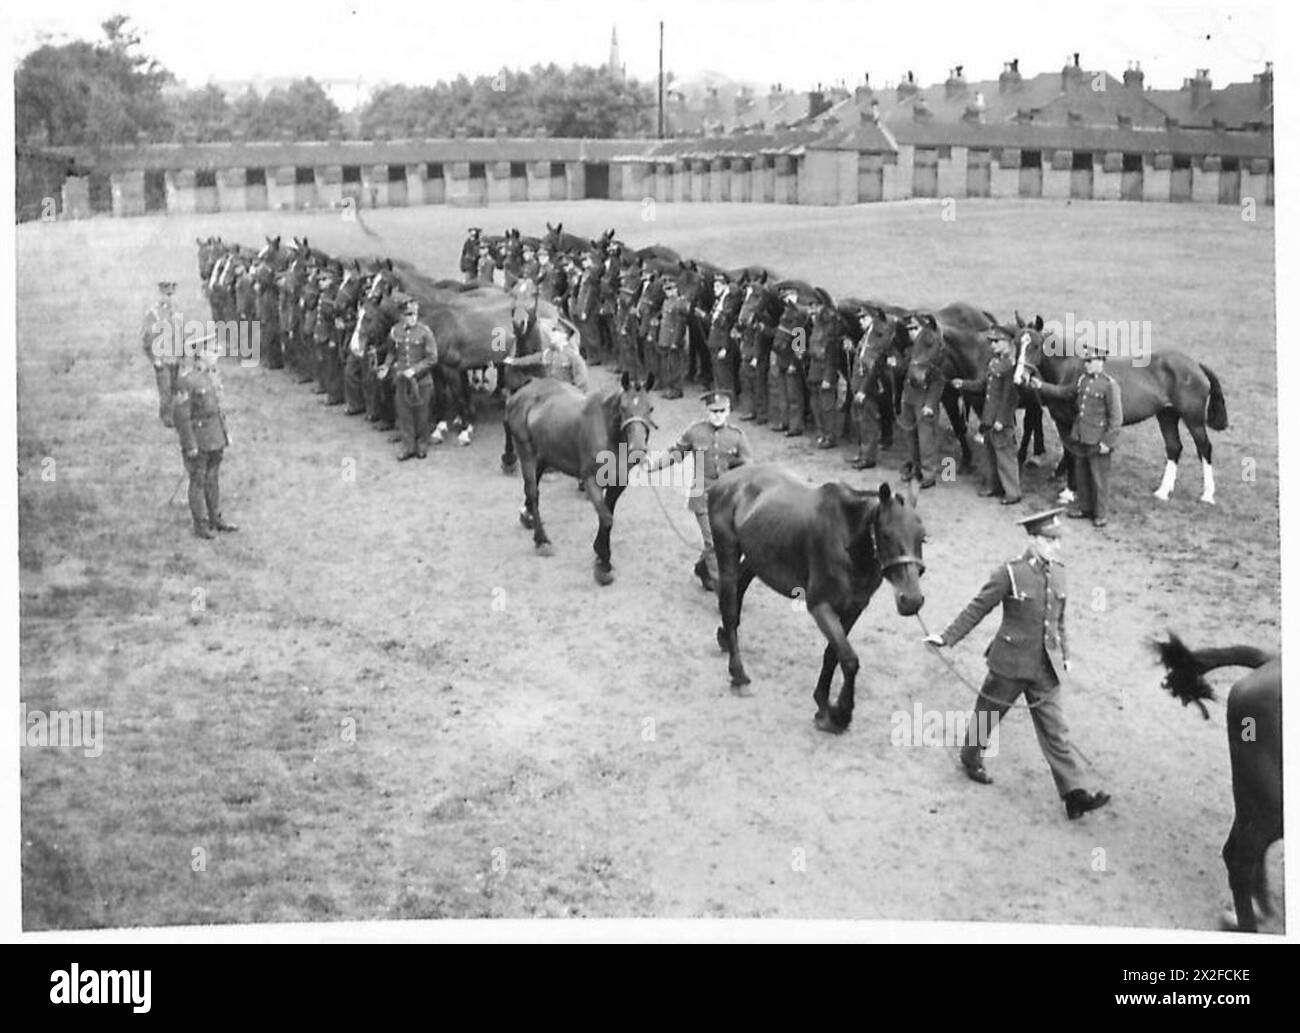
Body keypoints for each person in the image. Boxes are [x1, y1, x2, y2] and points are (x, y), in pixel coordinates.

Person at [922, 507, 1110, 820]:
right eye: (1050, 540)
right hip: (1009, 664)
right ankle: (971, 758)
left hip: (1044, 668)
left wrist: (1065, 655)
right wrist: (946, 637)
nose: (1056, 546)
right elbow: (978, 608)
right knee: (987, 717)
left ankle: (1074, 794)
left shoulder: (1060, 572)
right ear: (1034, 540)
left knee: (1056, 731)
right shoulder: (1010, 573)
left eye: (1057, 540)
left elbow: (1059, 621)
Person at [642, 391, 753, 591]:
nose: (717, 415)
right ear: (707, 412)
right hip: (702, 493)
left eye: (722, 411)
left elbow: (749, 466)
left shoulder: (737, 437)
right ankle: (725, 591)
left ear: (728, 412)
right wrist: (654, 466)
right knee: (713, 542)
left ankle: (703, 569)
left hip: (729, 497)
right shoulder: (695, 432)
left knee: (730, 541)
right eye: (713, 411)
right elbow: (676, 453)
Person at [1030, 342, 1122, 527]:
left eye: (1090, 361)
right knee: (1082, 474)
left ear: (1100, 362)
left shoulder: (1109, 385)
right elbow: (1064, 392)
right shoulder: (1082, 381)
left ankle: (1100, 514)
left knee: (1099, 478)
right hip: (1080, 437)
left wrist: (1107, 442)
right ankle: (1085, 507)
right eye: (1086, 361)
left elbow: (1116, 418)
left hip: (1097, 440)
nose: (1086, 364)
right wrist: (1041, 386)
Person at [173, 340, 238, 539]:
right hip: (199, 437)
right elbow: (182, 417)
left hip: (215, 434)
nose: (216, 354)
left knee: (212, 478)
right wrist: (190, 444)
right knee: (198, 479)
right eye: (212, 351)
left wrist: (225, 434)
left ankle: (214, 517)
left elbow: (219, 410)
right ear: (200, 354)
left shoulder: (212, 376)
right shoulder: (187, 380)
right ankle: (200, 524)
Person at [953, 332, 1021, 504]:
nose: (993, 345)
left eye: (997, 341)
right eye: (992, 342)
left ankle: (1013, 492)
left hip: (1000, 419)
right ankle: (995, 486)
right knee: (991, 454)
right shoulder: (994, 362)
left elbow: (1010, 396)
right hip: (989, 416)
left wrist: (1002, 419)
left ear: (1008, 343)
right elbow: (984, 386)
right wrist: (963, 384)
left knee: (1005, 456)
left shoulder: (1010, 366)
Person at [379, 296, 439, 460]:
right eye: (408, 315)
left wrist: (415, 370)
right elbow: (392, 352)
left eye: (414, 314)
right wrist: (386, 366)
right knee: (404, 414)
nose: (412, 318)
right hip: (402, 380)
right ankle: (408, 446)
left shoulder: (425, 332)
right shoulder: (395, 331)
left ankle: (421, 444)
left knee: (422, 414)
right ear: (402, 316)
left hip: (421, 382)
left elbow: (433, 358)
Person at [897, 314, 945, 489]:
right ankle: (915, 469)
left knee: (926, 440)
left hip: (924, 401)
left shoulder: (935, 354)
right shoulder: (912, 351)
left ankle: (928, 474)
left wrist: (930, 405)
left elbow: (939, 381)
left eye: (915, 329)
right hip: (909, 399)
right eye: (910, 329)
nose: (912, 333)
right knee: (911, 438)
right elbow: (905, 372)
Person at [503, 319, 589, 391]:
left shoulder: (573, 357)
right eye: (552, 331)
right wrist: (513, 361)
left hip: (566, 395)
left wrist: (575, 396)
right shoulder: (548, 353)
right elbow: (531, 359)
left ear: (565, 336)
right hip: (552, 392)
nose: (551, 335)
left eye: (555, 332)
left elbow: (582, 380)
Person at [143, 280, 182, 428]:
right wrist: (154, 359)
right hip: (162, 358)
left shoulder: (177, 311)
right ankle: (166, 417)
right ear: (160, 294)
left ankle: (174, 414)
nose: (169, 298)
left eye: (171, 294)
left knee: (175, 387)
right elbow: (147, 338)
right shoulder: (153, 314)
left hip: (176, 357)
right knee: (165, 389)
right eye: (166, 294)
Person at [656, 279, 691, 398]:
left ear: (676, 289)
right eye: (667, 289)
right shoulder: (666, 302)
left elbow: (680, 324)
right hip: (665, 337)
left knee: (675, 365)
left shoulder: (679, 304)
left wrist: (676, 341)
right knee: (667, 365)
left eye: (672, 289)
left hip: (673, 339)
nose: (669, 292)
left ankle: (676, 389)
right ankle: (669, 387)